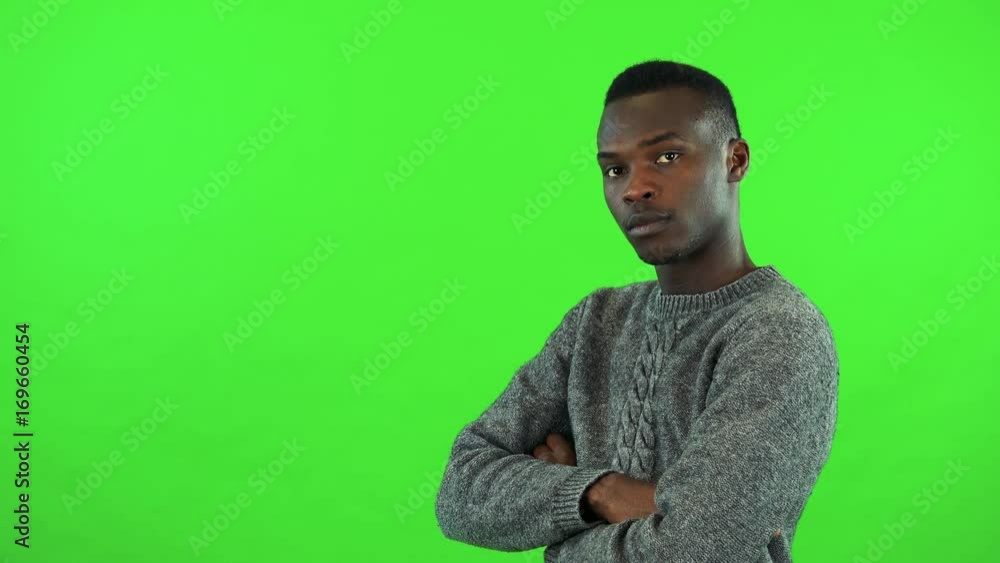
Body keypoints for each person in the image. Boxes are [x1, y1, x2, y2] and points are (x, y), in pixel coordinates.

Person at [434, 59, 839, 562]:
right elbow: (460, 492)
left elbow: (694, 550)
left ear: (735, 160)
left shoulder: (778, 331)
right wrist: (597, 491)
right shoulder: (596, 322)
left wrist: (559, 534)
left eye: (667, 156)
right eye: (614, 169)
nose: (634, 188)